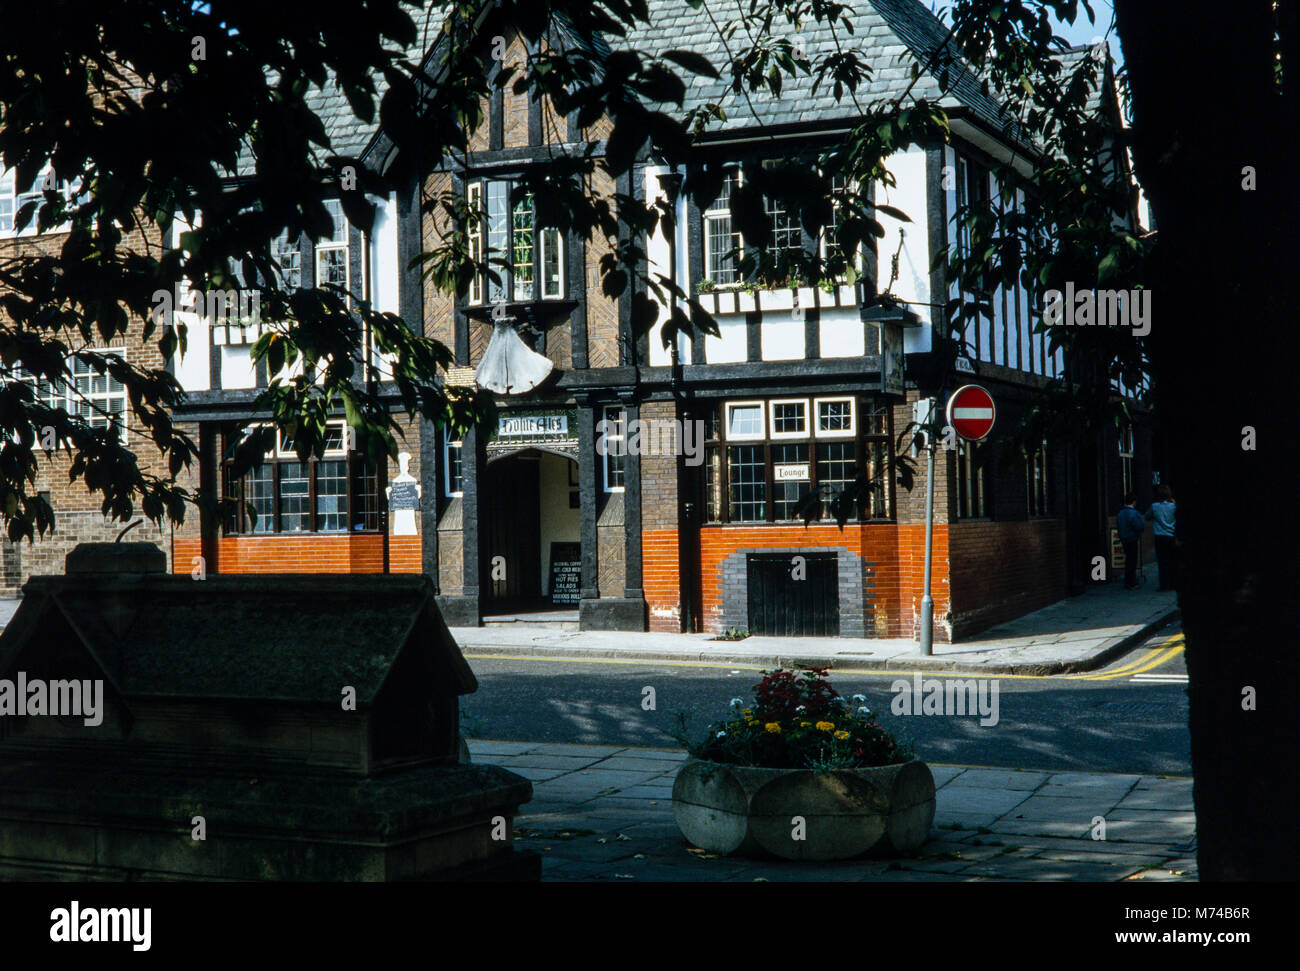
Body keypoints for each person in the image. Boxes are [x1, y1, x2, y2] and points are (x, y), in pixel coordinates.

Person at [1145, 484, 1177, 591]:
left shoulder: (1154, 506)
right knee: (1172, 561)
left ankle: (1164, 585)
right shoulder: (1173, 506)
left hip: (1160, 536)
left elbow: (1147, 517)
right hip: (1171, 535)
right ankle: (1172, 583)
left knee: (1162, 562)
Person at [1117, 492, 1145, 589]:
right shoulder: (1134, 513)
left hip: (1124, 539)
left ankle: (1128, 581)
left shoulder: (1120, 513)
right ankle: (1131, 582)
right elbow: (1139, 526)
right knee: (1132, 561)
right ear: (1134, 502)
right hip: (1132, 538)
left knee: (1128, 560)